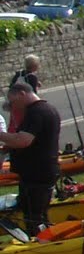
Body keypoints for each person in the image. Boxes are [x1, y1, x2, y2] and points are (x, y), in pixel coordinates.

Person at [0, 82, 61, 238]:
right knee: (37, 213)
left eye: (13, 101)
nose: (13, 106)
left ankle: (39, 243)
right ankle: (45, 239)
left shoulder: (36, 112)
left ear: (22, 93)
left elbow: (23, 140)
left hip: (37, 172)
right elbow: (33, 141)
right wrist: (10, 146)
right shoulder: (47, 109)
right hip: (42, 169)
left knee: (33, 215)